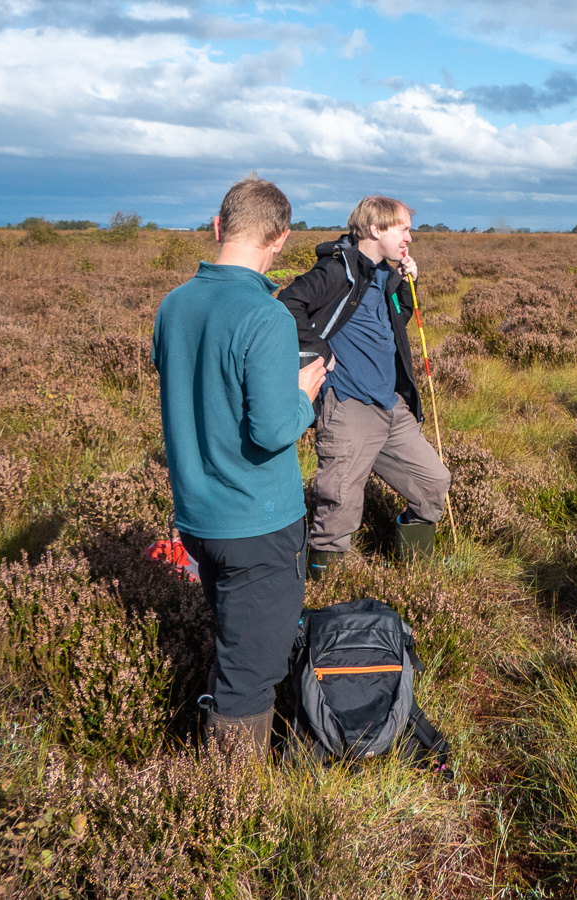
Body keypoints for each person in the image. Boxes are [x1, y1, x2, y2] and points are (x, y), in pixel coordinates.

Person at [152, 175, 327, 752]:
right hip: (259, 522)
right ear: (281, 239)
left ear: (218, 225)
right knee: (248, 679)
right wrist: (304, 392)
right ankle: (233, 808)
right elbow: (272, 429)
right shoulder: (267, 316)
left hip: (198, 518)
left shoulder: (173, 305)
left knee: (235, 641)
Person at [279, 196, 451, 578]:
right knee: (339, 505)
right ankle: (325, 591)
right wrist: (320, 352)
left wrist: (408, 284)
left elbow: (394, 322)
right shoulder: (337, 271)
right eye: (403, 228)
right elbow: (287, 304)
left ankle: (415, 575)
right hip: (348, 406)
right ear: (376, 229)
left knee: (433, 483)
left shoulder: (381, 274)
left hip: (390, 406)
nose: (410, 237)